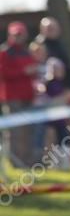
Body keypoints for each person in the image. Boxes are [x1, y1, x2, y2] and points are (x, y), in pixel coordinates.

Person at [0, 21, 39, 166]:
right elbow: (3, 73)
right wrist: (23, 72)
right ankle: (15, 162)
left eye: (21, 34)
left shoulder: (26, 51)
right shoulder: (4, 52)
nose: (18, 37)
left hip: (28, 96)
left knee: (28, 130)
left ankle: (27, 161)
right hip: (11, 98)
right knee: (14, 131)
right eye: (16, 35)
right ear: (10, 35)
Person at [30, 41, 70, 168]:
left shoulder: (59, 79)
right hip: (44, 113)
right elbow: (40, 89)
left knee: (62, 137)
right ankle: (48, 163)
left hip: (58, 114)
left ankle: (63, 163)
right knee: (47, 138)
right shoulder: (47, 81)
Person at [37, 16, 70, 90]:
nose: (53, 30)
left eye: (54, 28)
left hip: (66, 86)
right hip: (51, 90)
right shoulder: (39, 46)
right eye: (49, 29)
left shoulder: (59, 43)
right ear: (42, 30)